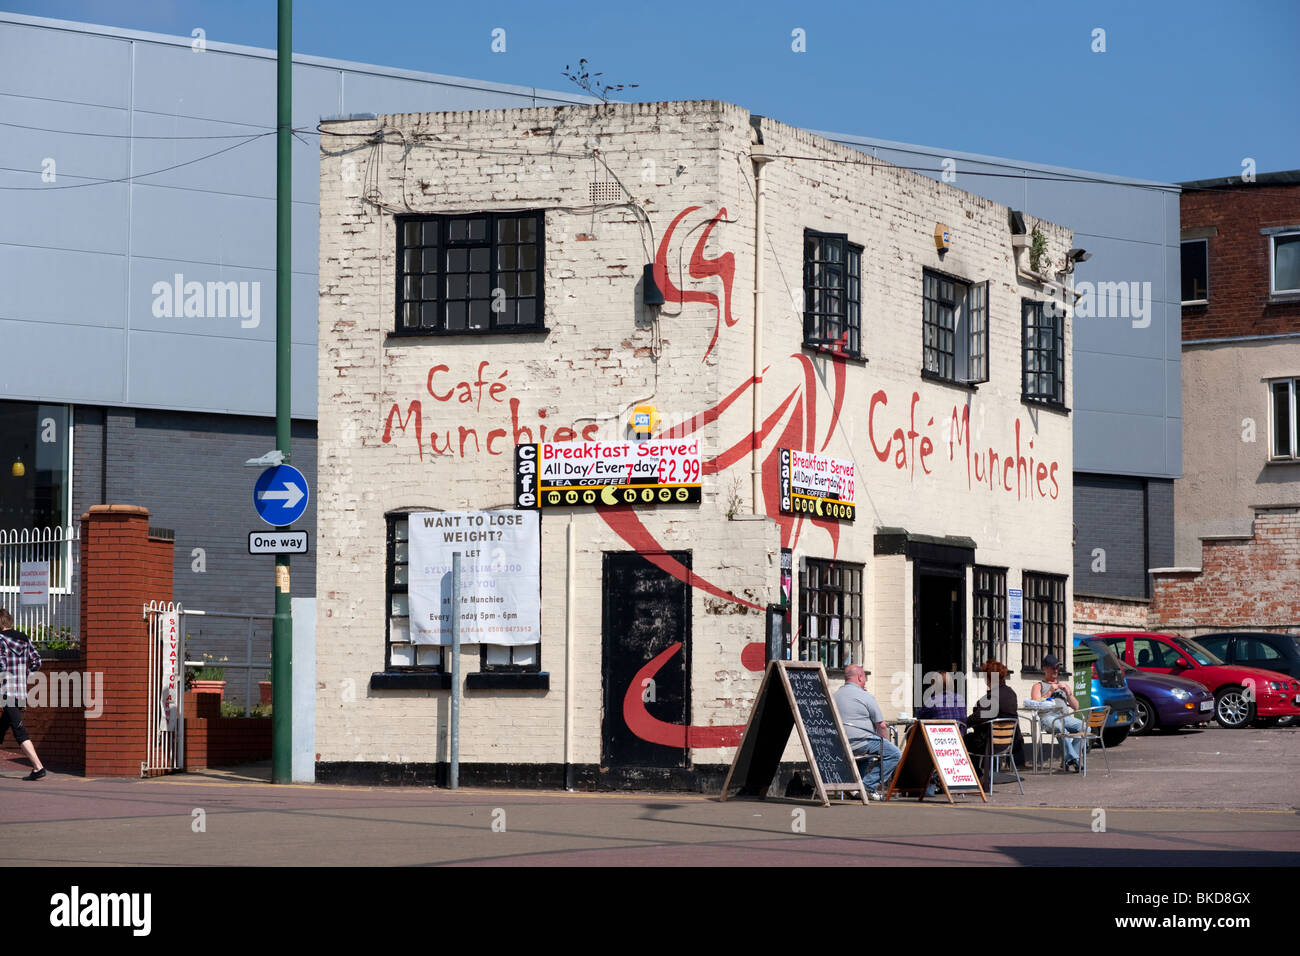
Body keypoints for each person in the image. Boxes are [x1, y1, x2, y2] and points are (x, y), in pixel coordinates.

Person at [833, 664, 901, 799]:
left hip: (839, 744)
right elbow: (881, 725)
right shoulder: (865, 696)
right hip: (861, 742)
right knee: (894, 753)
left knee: (867, 757)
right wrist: (884, 742)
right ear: (860, 677)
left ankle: (855, 786)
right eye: (864, 677)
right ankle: (866, 786)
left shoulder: (835, 695)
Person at [0, 608, 47, 780]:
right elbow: (37, 661)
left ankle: (38, 767)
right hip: (20, 691)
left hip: (7, 691)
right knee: (2, 728)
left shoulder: (1, 640)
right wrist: (24, 674)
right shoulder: (24, 639)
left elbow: (1, 667)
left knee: (19, 732)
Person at [964, 659, 1024, 774]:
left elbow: (978, 717)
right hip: (1009, 742)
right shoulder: (1011, 693)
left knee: (964, 741)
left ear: (988, 678)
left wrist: (963, 723)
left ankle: (977, 775)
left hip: (991, 743)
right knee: (973, 738)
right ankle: (980, 774)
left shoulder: (993, 697)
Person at [1031, 652, 1081, 772]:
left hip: (1065, 717)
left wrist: (1068, 693)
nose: (1056, 670)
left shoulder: (1063, 685)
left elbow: (1076, 707)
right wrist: (1049, 692)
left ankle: (1069, 759)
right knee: (1062, 729)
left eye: (1057, 667)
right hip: (1048, 717)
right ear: (1045, 669)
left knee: (1085, 728)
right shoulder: (1038, 686)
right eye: (1053, 667)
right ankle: (1075, 759)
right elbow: (1036, 704)